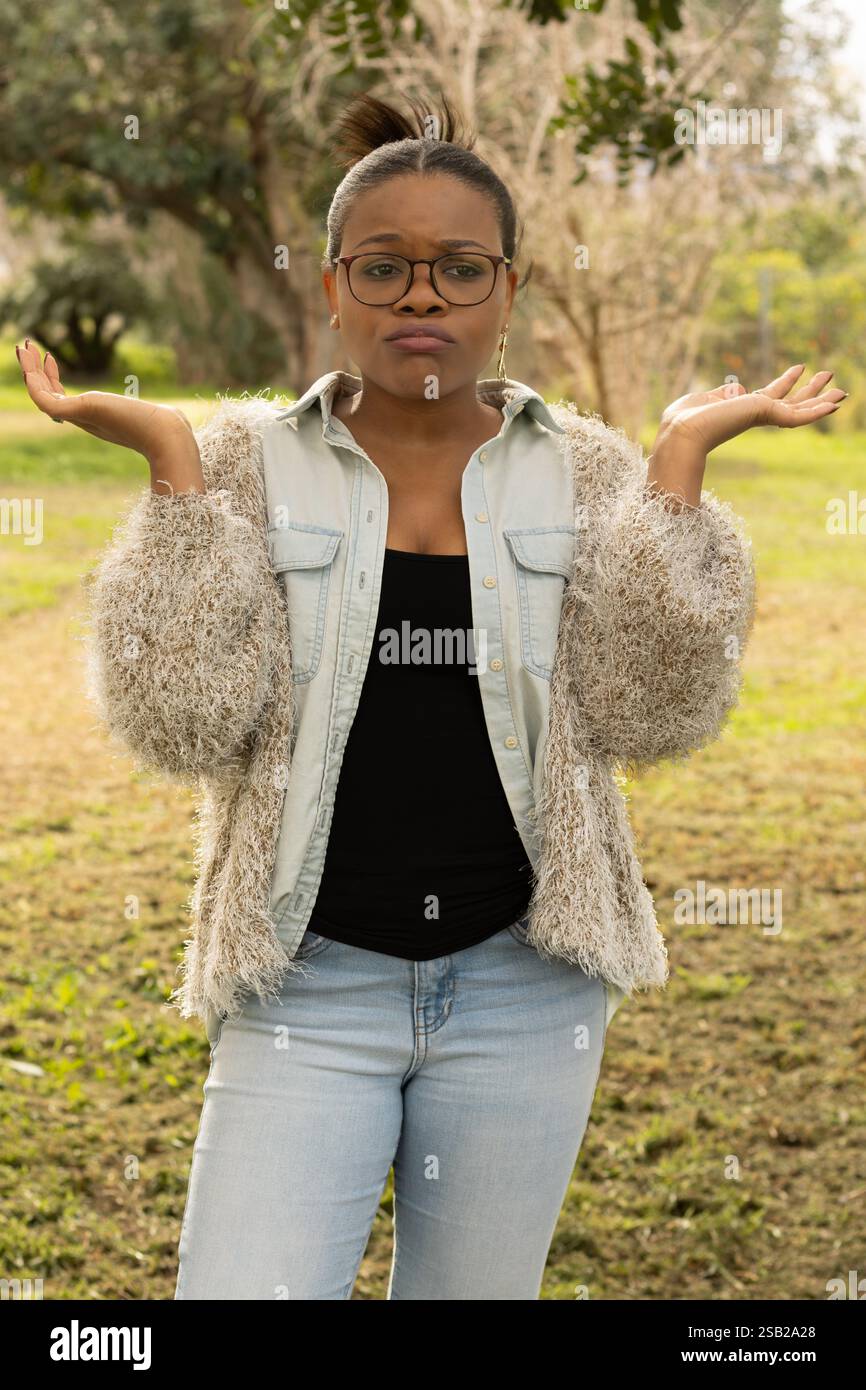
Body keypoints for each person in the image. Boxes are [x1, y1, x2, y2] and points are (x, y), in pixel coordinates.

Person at [17, 91, 845, 1301]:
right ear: (332, 287)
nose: (422, 297)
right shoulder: (244, 463)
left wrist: (673, 472)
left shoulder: (585, 470)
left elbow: (651, 715)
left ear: (507, 292)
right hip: (307, 981)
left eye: (459, 269)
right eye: (387, 267)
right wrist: (174, 471)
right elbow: (177, 721)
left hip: (525, 982)